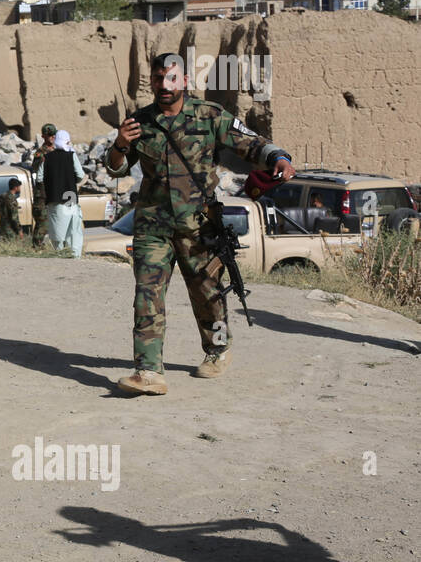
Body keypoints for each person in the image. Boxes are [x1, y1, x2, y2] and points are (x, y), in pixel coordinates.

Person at [106, 51, 296, 396]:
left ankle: (218, 348)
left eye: (172, 78)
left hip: (199, 226)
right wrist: (120, 143)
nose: (165, 85)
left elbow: (250, 142)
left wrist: (279, 158)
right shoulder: (139, 122)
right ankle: (149, 371)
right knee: (147, 295)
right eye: (159, 78)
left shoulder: (209, 116)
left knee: (208, 293)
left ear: (185, 81)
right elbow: (116, 168)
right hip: (153, 226)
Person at [41, 130, 87, 258]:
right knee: (73, 230)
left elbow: (40, 177)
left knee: (57, 232)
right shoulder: (71, 156)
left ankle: (60, 255)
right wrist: (71, 180)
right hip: (69, 196)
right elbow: (81, 175)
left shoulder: (47, 157)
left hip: (54, 198)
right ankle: (74, 256)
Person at [30, 124, 58, 246]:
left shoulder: (58, 150)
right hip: (42, 193)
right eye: (49, 135)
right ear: (43, 136)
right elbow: (35, 169)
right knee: (42, 222)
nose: (51, 138)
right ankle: (37, 246)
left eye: (53, 135)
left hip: (54, 191)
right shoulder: (40, 153)